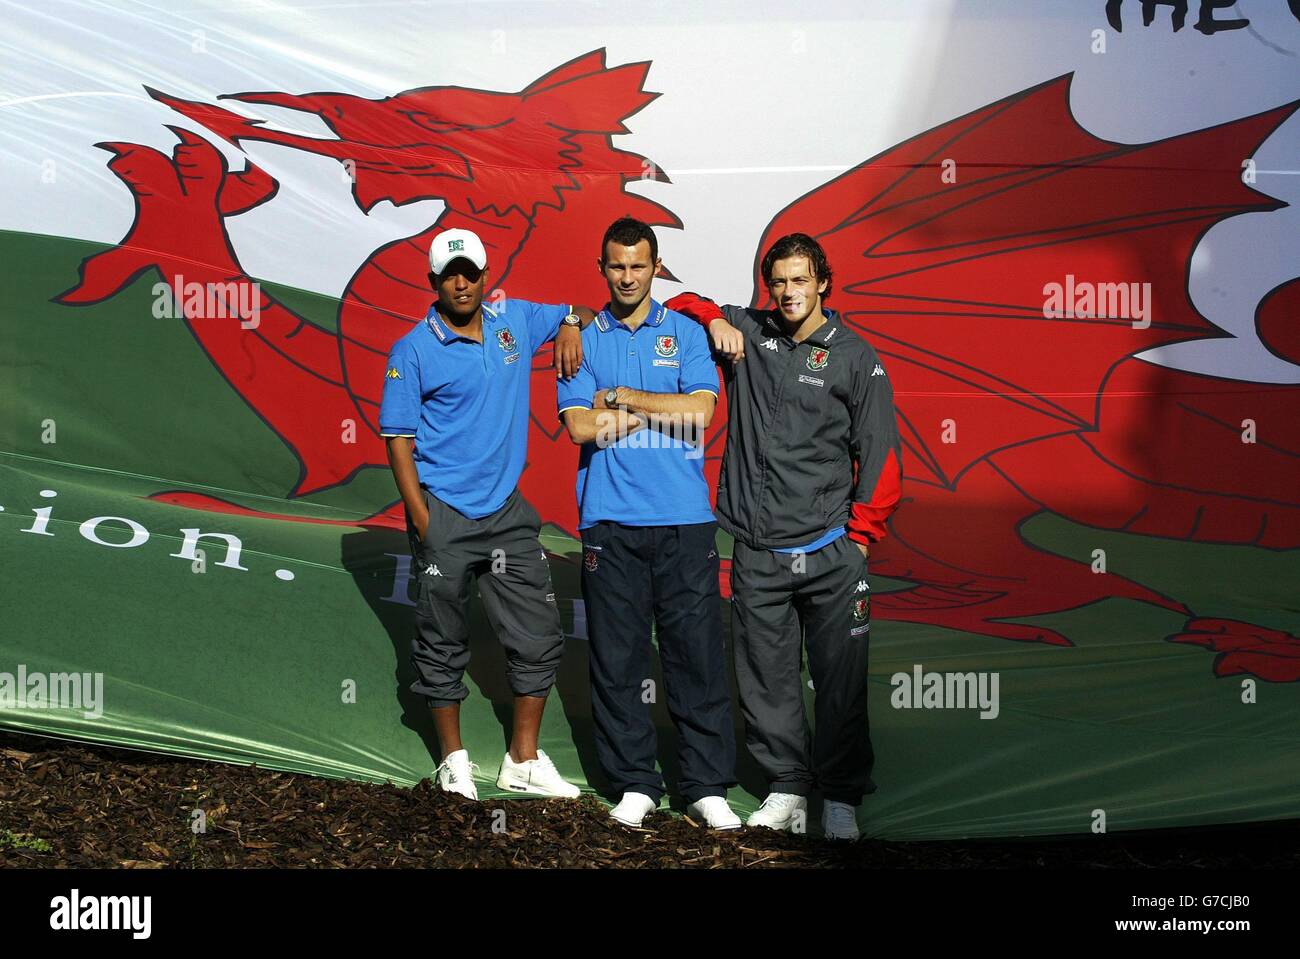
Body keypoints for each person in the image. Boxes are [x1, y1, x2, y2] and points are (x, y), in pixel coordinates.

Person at [666, 233, 902, 840]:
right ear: (767, 286)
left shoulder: (856, 356)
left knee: (840, 683)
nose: (790, 293)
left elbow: (880, 455)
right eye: (780, 282)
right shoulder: (751, 334)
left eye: (801, 281)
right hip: (758, 550)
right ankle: (787, 788)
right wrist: (716, 319)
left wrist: (860, 538)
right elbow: (680, 301)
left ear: (823, 282)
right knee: (766, 681)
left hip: (830, 550)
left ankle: (842, 798)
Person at [379, 227, 593, 800]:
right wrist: (424, 520)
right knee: (441, 638)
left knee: (539, 635)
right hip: (444, 512)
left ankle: (521, 759)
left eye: (470, 271)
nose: (461, 282)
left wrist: (570, 320)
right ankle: (453, 760)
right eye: (450, 274)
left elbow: (584, 309)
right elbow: (397, 438)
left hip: (506, 514)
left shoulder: (513, 322)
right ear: (433, 282)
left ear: (484, 274)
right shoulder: (413, 349)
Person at [556, 218, 740, 829]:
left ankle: (705, 785)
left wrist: (621, 397)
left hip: (685, 522)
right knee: (617, 658)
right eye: (617, 266)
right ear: (601, 268)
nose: (628, 276)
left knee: (696, 657)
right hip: (609, 523)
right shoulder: (583, 339)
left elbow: (700, 414)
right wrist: (659, 407)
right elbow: (580, 427)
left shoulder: (686, 333)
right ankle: (635, 782)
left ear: (655, 267)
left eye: (639, 265)